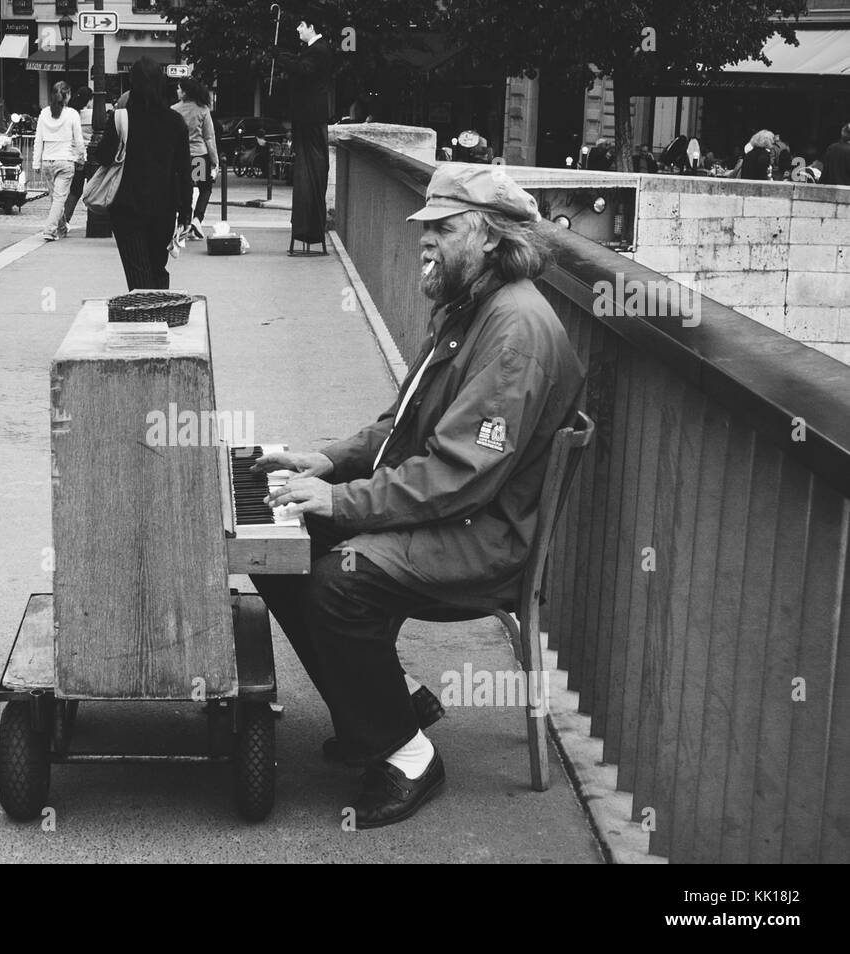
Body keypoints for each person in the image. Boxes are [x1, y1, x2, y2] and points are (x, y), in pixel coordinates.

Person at [248, 164, 585, 828]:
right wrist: (328, 460)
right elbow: (402, 427)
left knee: (338, 584)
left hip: (484, 536)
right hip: (455, 515)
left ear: (488, 238)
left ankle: (407, 753)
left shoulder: (514, 332)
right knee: (275, 546)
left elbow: (458, 474)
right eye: (424, 227)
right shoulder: (471, 308)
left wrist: (343, 503)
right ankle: (389, 704)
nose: (423, 241)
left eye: (442, 228)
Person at [93, 57, 191, 289]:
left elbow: (103, 157)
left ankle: (145, 315)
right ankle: (160, 312)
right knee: (158, 267)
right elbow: (184, 172)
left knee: (138, 272)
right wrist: (186, 214)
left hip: (126, 207)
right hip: (163, 208)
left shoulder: (121, 119)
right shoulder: (175, 122)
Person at [275, 3, 332, 252]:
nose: (297, 29)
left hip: (309, 120)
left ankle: (307, 228)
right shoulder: (315, 50)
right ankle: (308, 229)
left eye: (300, 25)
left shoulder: (318, 51)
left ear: (311, 27)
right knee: (309, 174)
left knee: (308, 174)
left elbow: (303, 68)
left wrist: (280, 57)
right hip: (309, 120)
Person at [33, 80, 85, 242]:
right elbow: (78, 140)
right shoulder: (72, 114)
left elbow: (38, 139)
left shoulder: (44, 113)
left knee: (55, 198)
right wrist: (82, 157)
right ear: (67, 95)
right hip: (66, 160)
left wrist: (36, 162)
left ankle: (61, 227)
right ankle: (50, 229)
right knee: (59, 198)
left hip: (48, 160)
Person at [171, 76, 220, 241]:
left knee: (186, 190)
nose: (177, 91)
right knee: (204, 188)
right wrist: (214, 160)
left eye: (179, 89)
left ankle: (183, 223)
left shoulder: (174, 110)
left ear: (185, 92)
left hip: (180, 158)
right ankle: (197, 219)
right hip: (199, 156)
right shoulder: (203, 110)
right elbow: (209, 137)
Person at [62, 86, 96, 228]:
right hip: (91, 156)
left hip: (75, 156)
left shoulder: (71, 114)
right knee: (95, 189)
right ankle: (96, 220)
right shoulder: (93, 114)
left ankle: (65, 219)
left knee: (75, 191)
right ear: (90, 100)